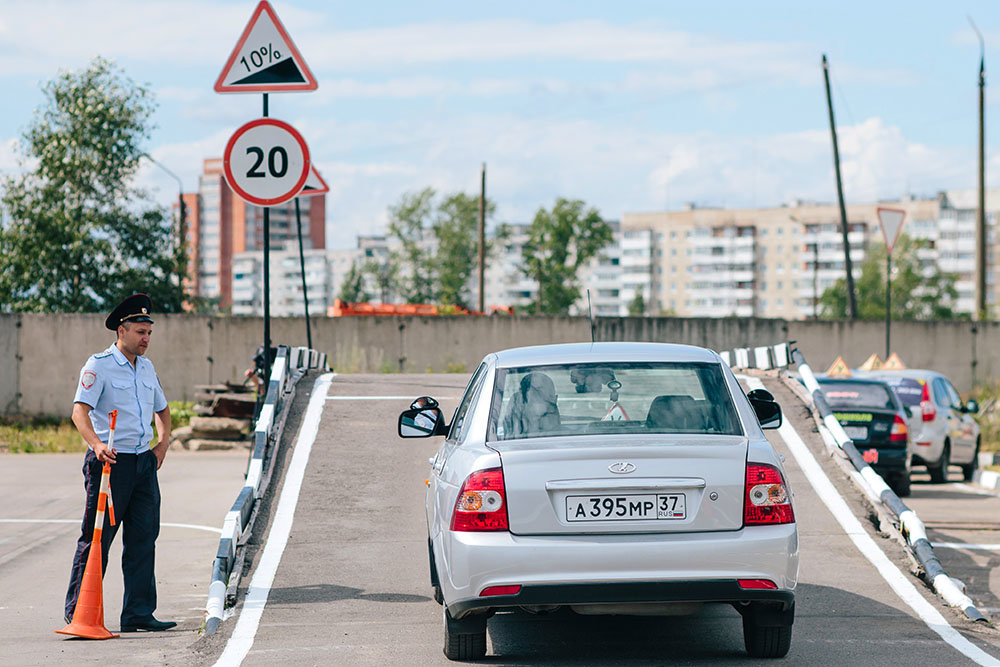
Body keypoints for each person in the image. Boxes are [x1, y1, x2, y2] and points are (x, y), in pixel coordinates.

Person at [63, 293, 176, 632]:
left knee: (143, 538)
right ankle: (80, 612)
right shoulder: (99, 365)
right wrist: (96, 444)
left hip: (143, 464)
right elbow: (79, 412)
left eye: (149, 333)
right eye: (141, 332)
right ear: (122, 330)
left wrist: (163, 444)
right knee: (97, 538)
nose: (146, 339)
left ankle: (138, 613)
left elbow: (163, 409)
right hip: (110, 465)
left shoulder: (147, 367)